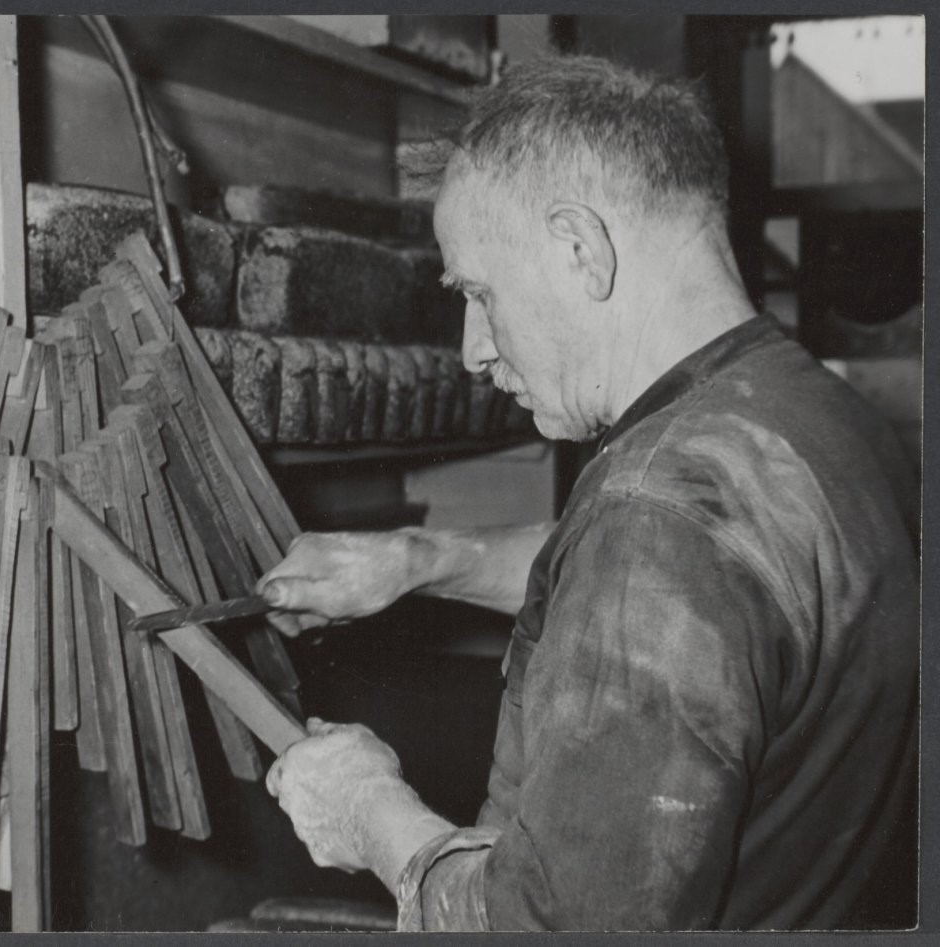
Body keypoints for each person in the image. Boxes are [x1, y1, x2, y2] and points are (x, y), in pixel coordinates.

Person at [256, 55, 919, 931]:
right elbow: (711, 590)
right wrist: (422, 559)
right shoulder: (814, 414)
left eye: (479, 294)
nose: (474, 351)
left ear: (579, 248)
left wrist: (370, 813)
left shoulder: (655, 525)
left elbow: (547, 927)